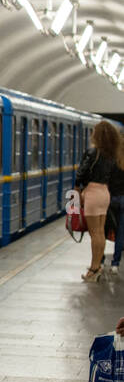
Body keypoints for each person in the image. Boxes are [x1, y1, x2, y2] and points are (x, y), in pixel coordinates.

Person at [75, 120, 123, 282]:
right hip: (104, 193)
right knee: (100, 232)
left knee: (94, 233)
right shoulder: (111, 154)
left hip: (93, 192)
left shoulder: (93, 152)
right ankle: (97, 266)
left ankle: (94, 269)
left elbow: (82, 172)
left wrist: (78, 187)